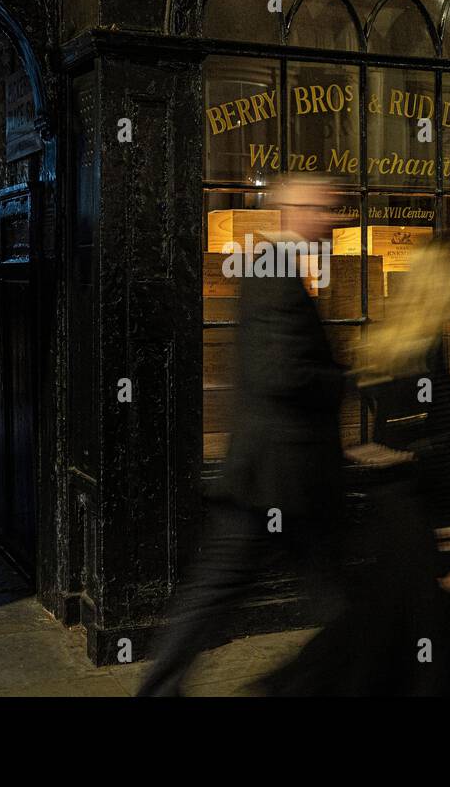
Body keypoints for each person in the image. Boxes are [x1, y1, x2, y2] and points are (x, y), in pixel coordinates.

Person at [138, 175, 346, 696]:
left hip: (279, 471)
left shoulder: (280, 267)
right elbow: (280, 373)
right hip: (276, 472)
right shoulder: (274, 269)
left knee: (316, 594)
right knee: (225, 590)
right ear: (293, 210)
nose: (331, 218)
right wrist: (344, 378)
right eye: (322, 208)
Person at [338, 243, 450, 696]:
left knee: (395, 632)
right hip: (431, 514)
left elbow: (386, 433)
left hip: (393, 512)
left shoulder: (382, 345)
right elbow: (447, 445)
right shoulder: (429, 353)